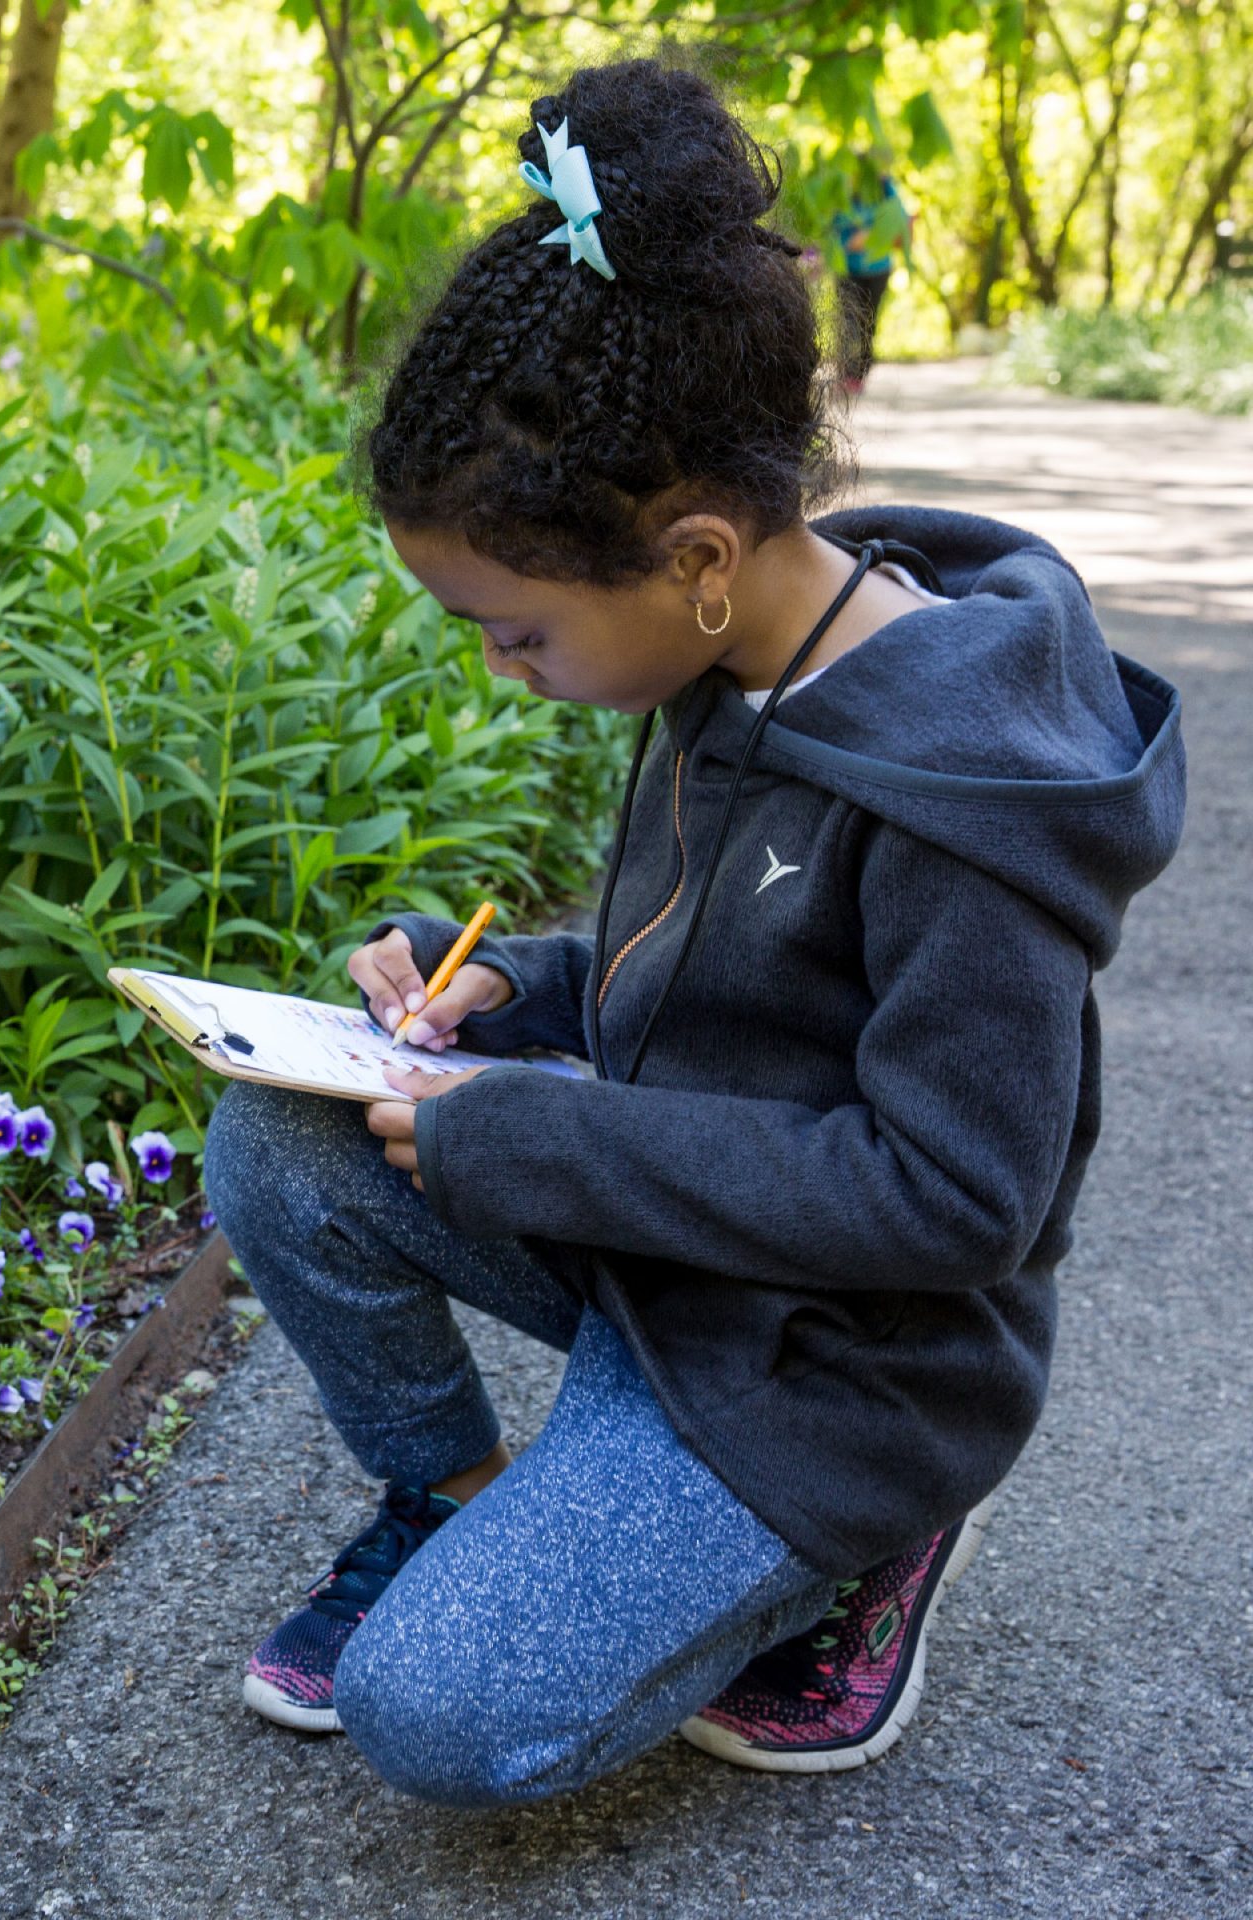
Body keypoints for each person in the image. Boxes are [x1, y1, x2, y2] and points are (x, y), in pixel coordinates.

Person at [203, 58, 1182, 1803]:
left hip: (850, 1366)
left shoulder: (962, 789)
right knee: (277, 1135)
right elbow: (724, 990)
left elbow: (960, 1196)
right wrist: (509, 988)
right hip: (680, 1251)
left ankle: (868, 1539)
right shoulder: (719, 659)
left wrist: (546, 1140)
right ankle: (460, 1500)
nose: (499, 669)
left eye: (517, 633)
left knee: (436, 1719)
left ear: (700, 557)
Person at [830, 161, 909, 392]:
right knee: (847, 322)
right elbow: (830, 230)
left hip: (878, 269)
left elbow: (900, 219)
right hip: (848, 270)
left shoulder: (884, 191)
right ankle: (845, 373)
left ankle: (860, 374)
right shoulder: (843, 194)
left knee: (868, 322)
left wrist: (885, 181)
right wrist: (849, 243)